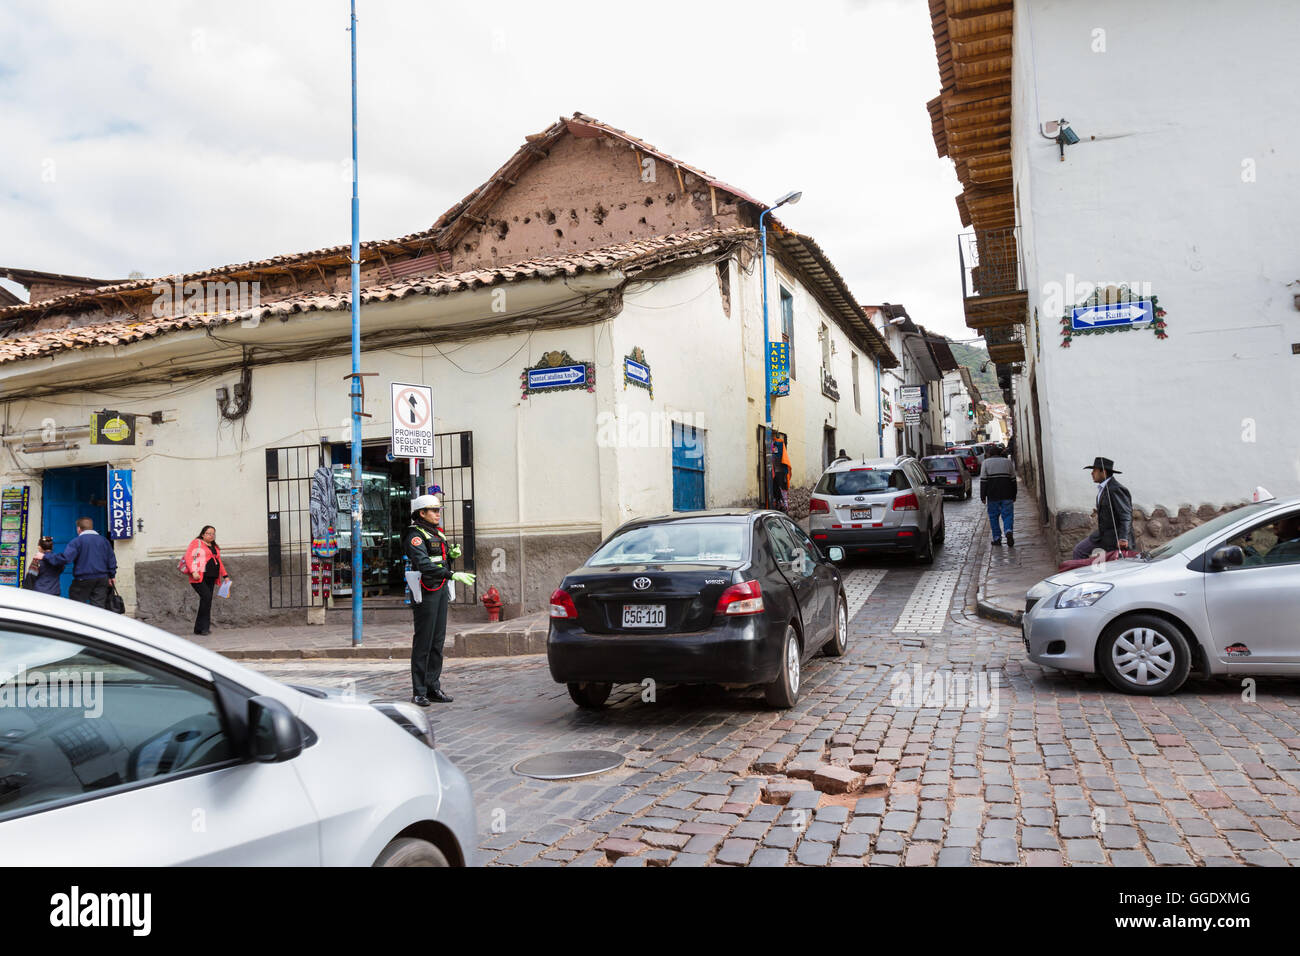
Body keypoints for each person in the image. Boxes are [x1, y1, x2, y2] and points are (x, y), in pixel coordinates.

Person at [405, 494, 475, 706]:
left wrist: (451, 557)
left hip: (440, 589)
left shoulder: (436, 533)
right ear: (421, 513)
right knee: (423, 642)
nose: (438, 514)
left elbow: (439, 559)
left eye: (438, 510)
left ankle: (433, 687)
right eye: (433, 511)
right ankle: (419, 691)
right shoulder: (414, 535)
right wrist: (452, 575)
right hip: (426, 591)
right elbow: (424, 564)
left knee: (437, 642)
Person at [40, 518, 116, 608]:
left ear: (79, 529)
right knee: (98, 607)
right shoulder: (104, 541)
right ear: (91, 528)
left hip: (83, 579)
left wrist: (46, 556)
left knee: (77, 606)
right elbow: (111, 559)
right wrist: (112, 576)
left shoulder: (77, 542)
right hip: (102, 579)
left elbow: (66, 559)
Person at [1071, 457, 1133, 560]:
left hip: (1115, 538)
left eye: (1094, 470)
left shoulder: (1115, 489)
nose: (1092, 473)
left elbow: (1126, 514)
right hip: (1101, 535)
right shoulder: (1103, 488)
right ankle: (1082, 576)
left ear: (1103, 472)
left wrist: (1123, 538)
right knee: (1079, 550)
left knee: (1114, 567)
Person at [184, 525, 230, 636]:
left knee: (206, 601)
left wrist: (225, 576)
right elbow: (188, 557)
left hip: (211, 577)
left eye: (213, 533)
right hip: (199, 577)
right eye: (208, 533)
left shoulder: (214, 546)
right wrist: (193, 571)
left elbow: (219, 562)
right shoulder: (197, 543)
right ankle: (203, 628)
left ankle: (199, 628)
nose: (211, 535)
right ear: (203, 534)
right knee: (206, 597)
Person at [979, 446, 1018, 546]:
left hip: (993, 495)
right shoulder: (1007, 462)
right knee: (1008, 515)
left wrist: (982, 496)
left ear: (989, 454)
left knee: (993, 517)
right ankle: (1008, 530)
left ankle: (997, 538)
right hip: (1007, 493)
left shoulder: (986, 463)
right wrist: (1014, 494)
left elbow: (983, 481)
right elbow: (1013, 480)